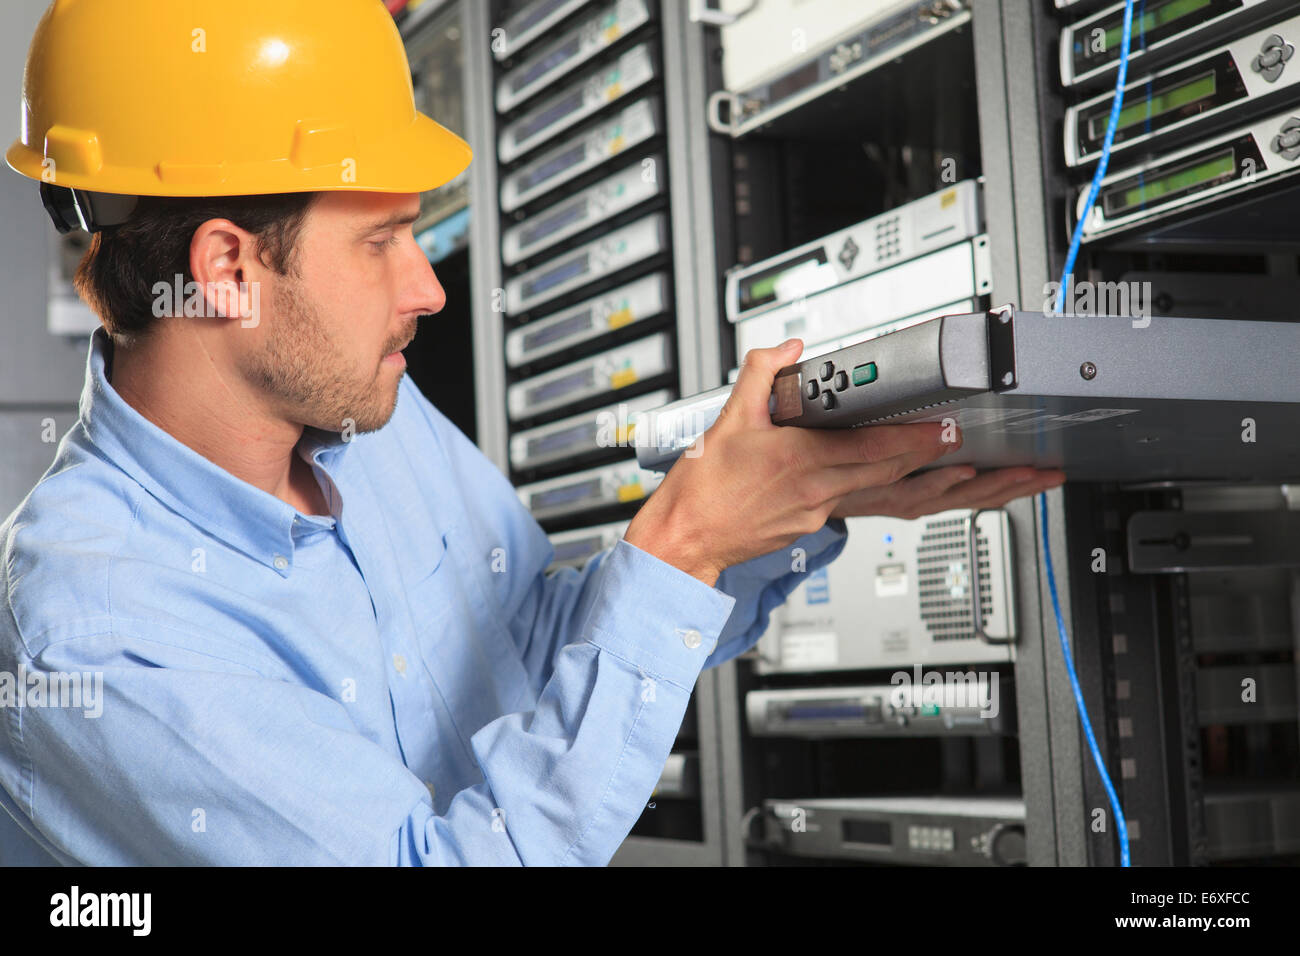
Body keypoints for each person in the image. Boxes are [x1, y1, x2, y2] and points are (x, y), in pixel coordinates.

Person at [0, 0, 1064, 865]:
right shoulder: (100, 631)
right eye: (383, 240)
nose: (426, 287)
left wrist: (785, 501)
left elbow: (516, 649)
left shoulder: (366, 413)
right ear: (228, 269)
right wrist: (679, 542)